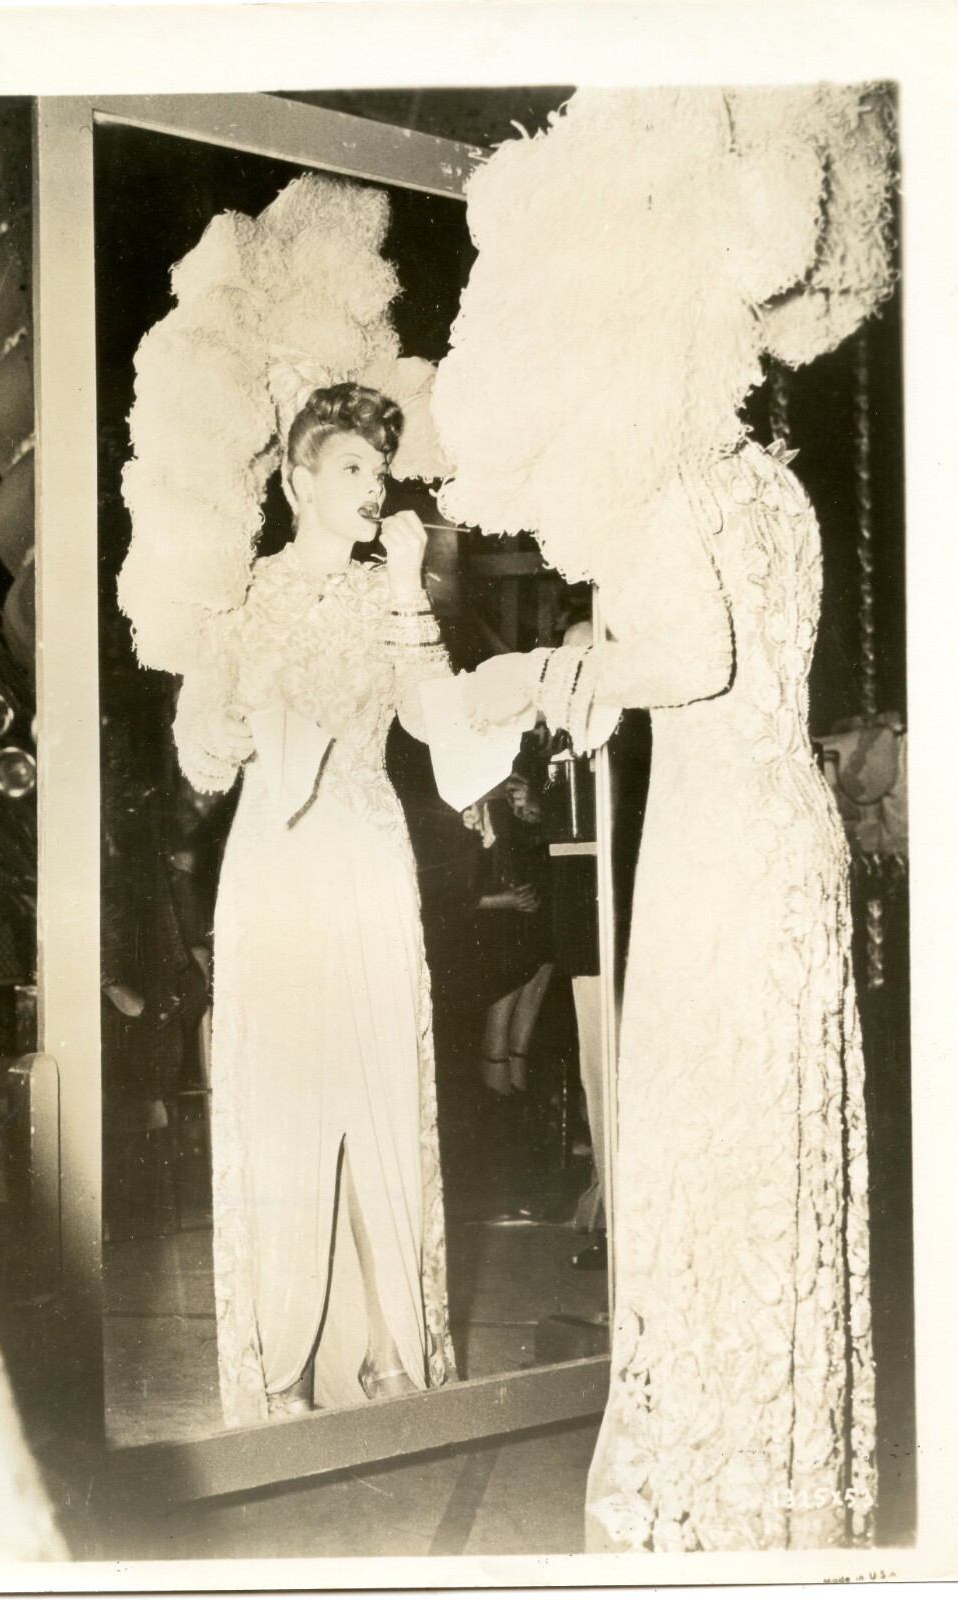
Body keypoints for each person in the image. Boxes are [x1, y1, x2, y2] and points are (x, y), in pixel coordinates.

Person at [436, 86, 889, 1550]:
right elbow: (759, 662)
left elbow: (685, 664)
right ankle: (787, 1467)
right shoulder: (781, 491)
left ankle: (709, 1466)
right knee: (773, 1153)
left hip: (713, 860)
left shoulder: (669, 490)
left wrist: (547, 667)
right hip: (794, 840)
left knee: (707, 1149)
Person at [173, 383, 456, 1424]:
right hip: (278, 862)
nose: (374, 485)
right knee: (287, 1099)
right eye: (352, 467)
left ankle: (392, 1354)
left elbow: (432, 719)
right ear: (297, 479)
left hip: (373, 853)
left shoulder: (393, 591)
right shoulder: (242, 596)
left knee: (381, 1083)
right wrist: (225, 732)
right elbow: (198, 749)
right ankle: (283, 1361)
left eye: (380, 469)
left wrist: (416, 589)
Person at [462, 763, 555, 1098]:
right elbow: (441, 895)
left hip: (505, 909)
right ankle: (499, 1080)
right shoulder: (458, 793)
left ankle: (515, 1075)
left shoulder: (504, 792)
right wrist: (504, 900)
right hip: (473, 918)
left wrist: (533, 813)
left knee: (544, 947)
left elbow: (531, 851)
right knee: (518, 952)